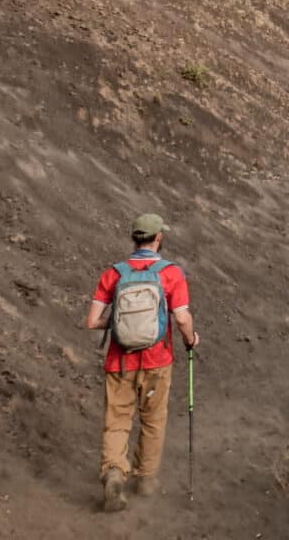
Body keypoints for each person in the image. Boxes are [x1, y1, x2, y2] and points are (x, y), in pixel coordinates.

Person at [83, 213, 199, 512]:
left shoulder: (114, 274)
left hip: (119, 362)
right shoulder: (171, 273)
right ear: (158, 238)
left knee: (117, 421)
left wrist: (119, 323)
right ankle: (145, 480)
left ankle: (113, 473)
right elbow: (182, 317)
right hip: (157, 361)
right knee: (153, 419)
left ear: (135, 238)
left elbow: (92, 321)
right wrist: (190, 339)